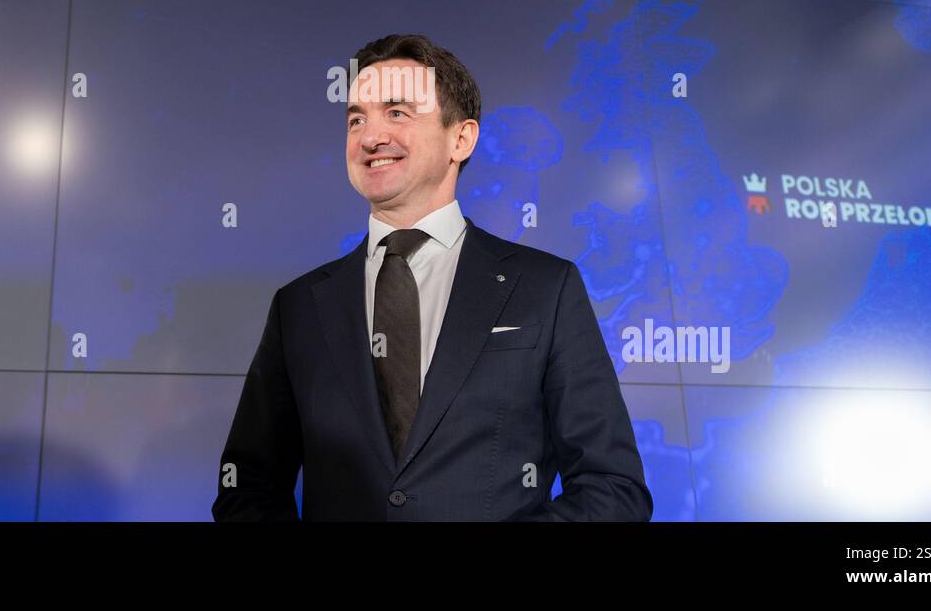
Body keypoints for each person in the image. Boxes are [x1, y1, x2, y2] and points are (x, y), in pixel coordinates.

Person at [212, 33, 652, 521]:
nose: (370, 136)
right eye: (356, 118)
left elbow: (612, 488)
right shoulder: (299, 306)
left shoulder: (546, 288)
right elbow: (246, 487)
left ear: (460, 139)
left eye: (397, 113)